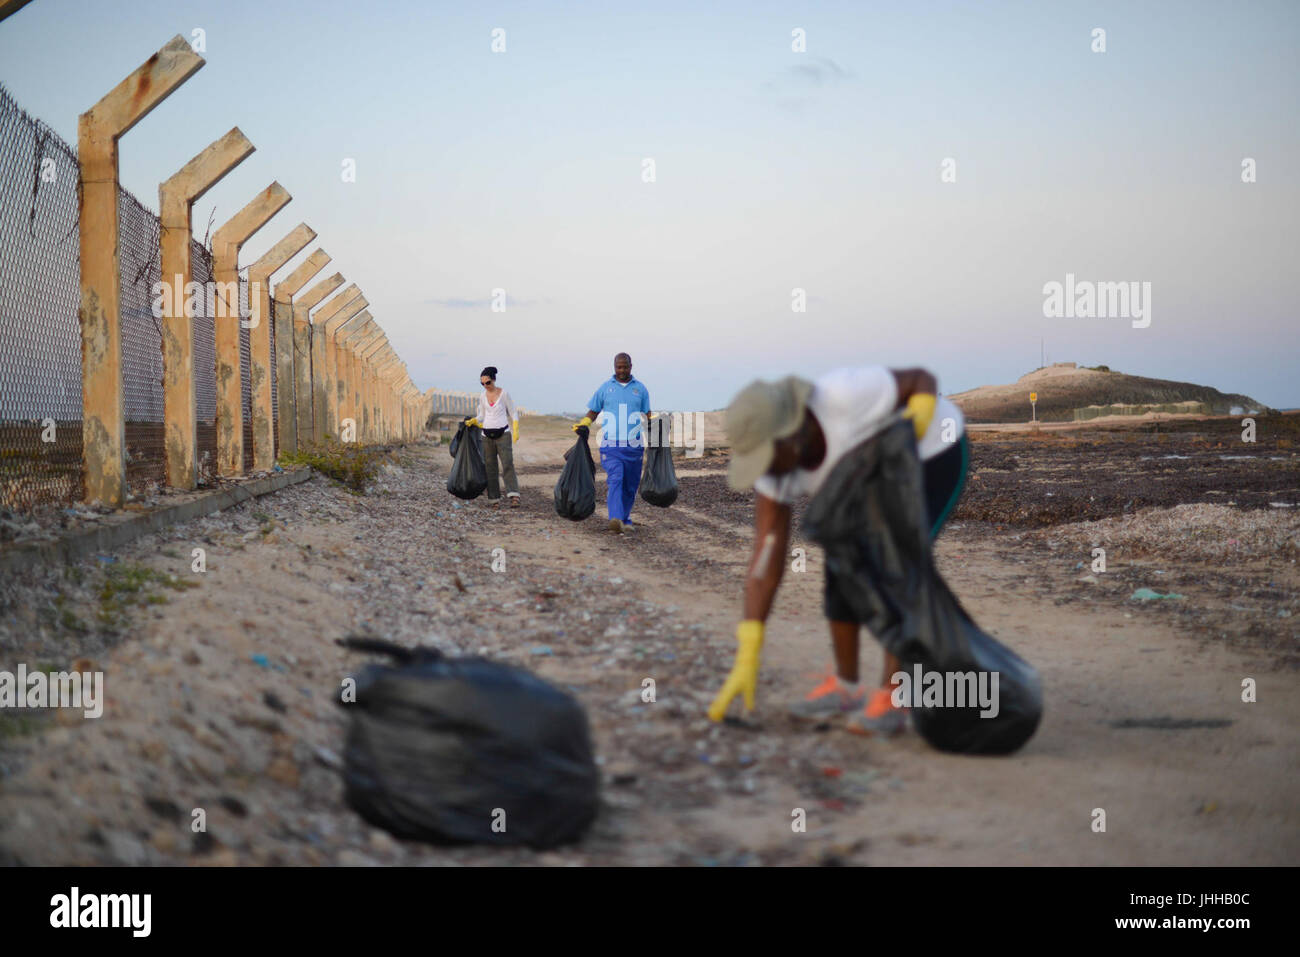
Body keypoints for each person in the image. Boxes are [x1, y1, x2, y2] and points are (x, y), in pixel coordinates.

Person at [707, 366, 969, 736]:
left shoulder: (845, 396)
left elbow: (920, 378)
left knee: (900, 566)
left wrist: (920, 416)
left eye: (767, 456)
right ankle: (846, 688)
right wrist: (749, 648)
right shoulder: (775, 467)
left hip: (930, 453)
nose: (764, 470)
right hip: (865, 475)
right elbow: (766, 554)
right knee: (840, 561)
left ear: (793, 432)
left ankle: (893, 698)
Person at [572, 353, 651, 534]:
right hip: (611, 445)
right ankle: (615, 518)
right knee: (616, 478)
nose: (621, 371)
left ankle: (625, 519)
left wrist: (658, 424)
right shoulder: (605, 388)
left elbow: (648, 414)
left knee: (630, 485)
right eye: (618, 367)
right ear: (614, 367)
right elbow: (593, 411)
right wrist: (584, 423)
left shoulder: (640, 389)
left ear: (631, 366)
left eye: (625, 367)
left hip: (634, 446)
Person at [464, 366, 520, 507]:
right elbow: (482, 415)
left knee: (507, 464)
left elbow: (513, 412)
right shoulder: (482, 396)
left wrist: (515, 428)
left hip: (503, 434)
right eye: (482, 383)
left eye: (488, 382)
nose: (485, 386)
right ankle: (494, 499)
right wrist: (475, 421)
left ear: (493, 380)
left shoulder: (504, 394)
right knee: (490, 467)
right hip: (487, 435)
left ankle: (514, 495)